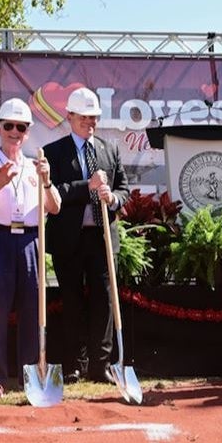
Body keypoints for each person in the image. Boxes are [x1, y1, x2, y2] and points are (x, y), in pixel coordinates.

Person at [0, 99, 60, 395]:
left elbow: (55, 207)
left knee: (32, 311)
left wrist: (47, 181)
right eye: (9, 125)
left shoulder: (36, 165)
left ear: (27, 132)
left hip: (30, 240)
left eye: (21, 127)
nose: (14, 132)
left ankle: (29, 375)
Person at [43, 87, 129, 385]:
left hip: (102, 237)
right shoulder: (53, 152)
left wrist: (113, 198)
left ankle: (101, 364)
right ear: (69, 116)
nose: (90, 123)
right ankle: (75, 364)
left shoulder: (109, 149)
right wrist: (86, 186)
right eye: (84, 117)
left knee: (104, 300)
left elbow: (124, 188)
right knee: (72, 301)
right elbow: (54, 194)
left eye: (94, 118)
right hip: (68, 238)